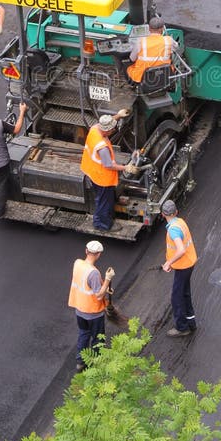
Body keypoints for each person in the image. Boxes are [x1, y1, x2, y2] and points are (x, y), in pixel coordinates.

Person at [68, 239, 115, 372]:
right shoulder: (93, 273)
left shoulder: (78, 263)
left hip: (79, 310)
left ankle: (80, 362)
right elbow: (99, 295)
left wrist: (105, 287)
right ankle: (97, 363)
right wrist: (108, 279)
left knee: (83, 334)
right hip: (93, 313)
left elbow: (87, 285)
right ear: (98, 254)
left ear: (86, 251)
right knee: (97, 339)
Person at [80, 112, 128, 232]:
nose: (113, 131)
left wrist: (118, 115)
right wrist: (125, 168)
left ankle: (104, 219)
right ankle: (102, 224)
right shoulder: (102, 147)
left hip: (92, 171)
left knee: (103, 199)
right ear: (106, 131)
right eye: (112, 129)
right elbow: (108, 165)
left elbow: (106, 123)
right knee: (103, 202)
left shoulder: (94, 129)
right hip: (102, 178)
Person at [161, 199, 198, 337]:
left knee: (176, 297)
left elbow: (181, 249)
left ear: (163, 214)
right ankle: (191, 322)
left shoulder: (173, 230)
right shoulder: (180, 222)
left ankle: (182, 328)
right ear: (176, 212)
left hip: (183, 266)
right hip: (189, 263)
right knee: (185, 293)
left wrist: (168, 263)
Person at [126, 15, 178, 84]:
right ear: (162, 29)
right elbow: (176, 47)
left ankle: (133, 85)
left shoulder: (141, 41)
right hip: (164, 75)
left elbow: (132, 59)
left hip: (142, 77)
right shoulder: (168, 40)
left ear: (149, 29)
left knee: (128, 68)